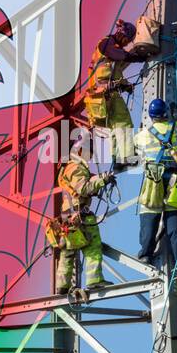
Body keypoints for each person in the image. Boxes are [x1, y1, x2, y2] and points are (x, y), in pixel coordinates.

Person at [134, 98, 177, 268]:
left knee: (150, 215)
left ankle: (145, 254)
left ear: (151, 117)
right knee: (175, 218)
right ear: (167, 113)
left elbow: (135, 150)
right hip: (175, 178)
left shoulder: (142, 134)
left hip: (154, 179)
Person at [51, 149, 114, 298]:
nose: (90, 156)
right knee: (93, 246)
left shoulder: (69, 167)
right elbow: (84, 188)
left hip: (68, 217)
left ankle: (62, 286)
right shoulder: (76, 167)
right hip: (81, 216)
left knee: (68, 252)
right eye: (89, 152)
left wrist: (100, 178)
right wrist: (103, 181)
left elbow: (84, 184)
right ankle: (94, 279)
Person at [84, 21, 136, 166]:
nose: (126, 44)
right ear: (121, 34)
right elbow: (116, 55)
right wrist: (135, 55)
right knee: (124, 122)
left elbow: (113, 74)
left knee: (114, 127)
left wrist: (125, 85)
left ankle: (118, 158)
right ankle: (127, 155)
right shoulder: (106, 44)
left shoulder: (111, 50)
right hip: (107, 93)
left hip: (101, 96)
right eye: (126, 40)